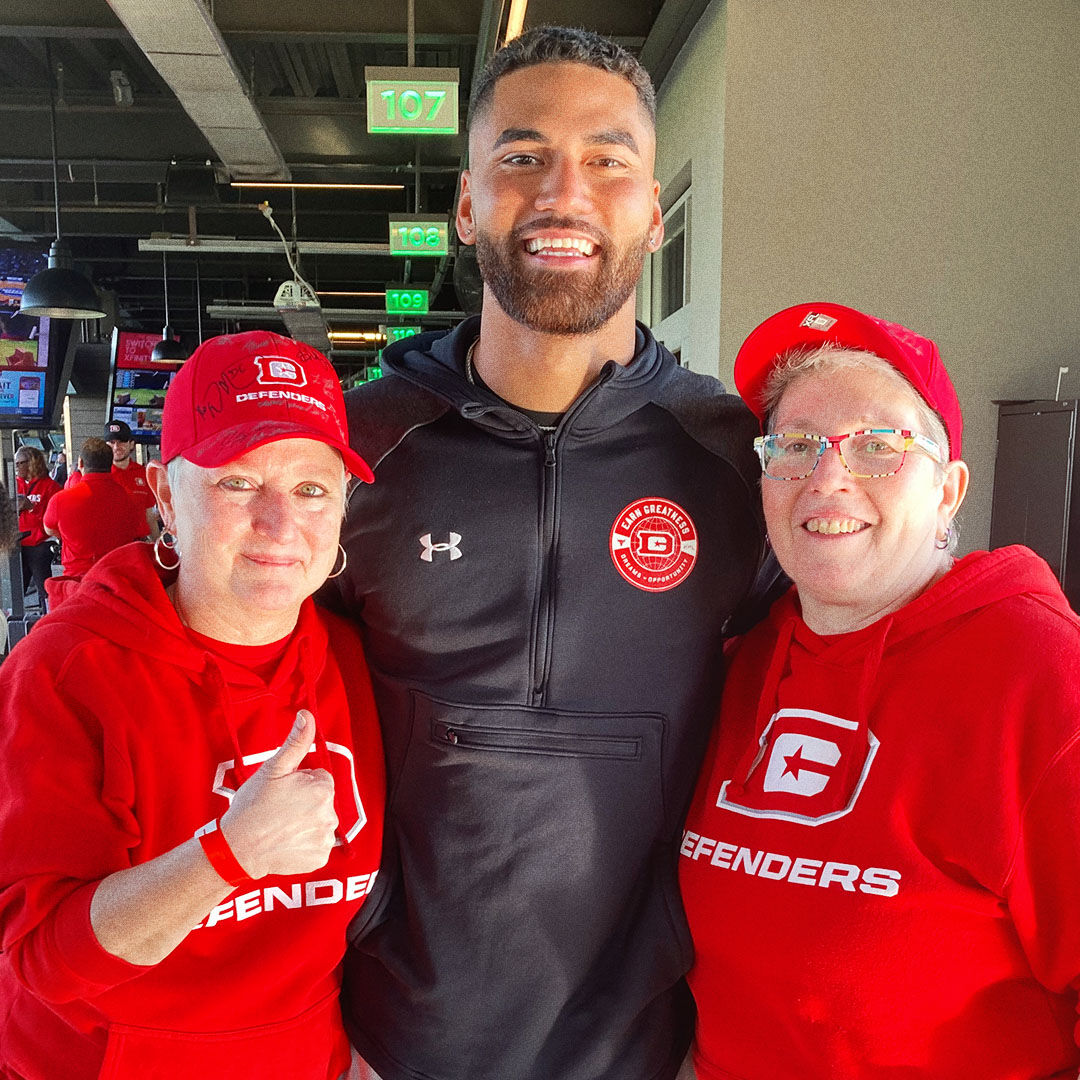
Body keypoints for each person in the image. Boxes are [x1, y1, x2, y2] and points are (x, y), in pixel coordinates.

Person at [330, 26, 773, 1080]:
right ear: (467, 205)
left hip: (653, 1047)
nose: (563, 193)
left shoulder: (737, 467)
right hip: (391, 1041)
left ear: (653, 214)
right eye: (522, 157)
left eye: (608, 160)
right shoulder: (353, 453)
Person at [680, 301, 1080, 1078]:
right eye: (794, 446)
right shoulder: (746, 665)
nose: (828, 478)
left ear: (950, 490)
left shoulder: (1041, 678)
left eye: (877, 446)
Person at [0, 330, 385, 1080]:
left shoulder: (359, 656)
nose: (280, 525)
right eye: (236, 483)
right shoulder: (62, 670)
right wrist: (229, 854)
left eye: (311, 488)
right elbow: (46, 961)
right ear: (165, 497)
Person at [42, 436, 149, 607]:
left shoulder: (60, 500)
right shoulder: (130, 498)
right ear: (109, 464)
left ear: (81, 464)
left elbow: (49, 530)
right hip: (117, 585)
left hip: (76, 585)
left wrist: (70, 535)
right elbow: (136, 530)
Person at [13, 444, 60, 611]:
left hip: (40, 543)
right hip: (17, 543)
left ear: (32, 463)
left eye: (20, 463)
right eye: (15, 463)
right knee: (14, 591)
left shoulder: (50, 487)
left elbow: (54, 518)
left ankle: (48, 617)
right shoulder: (14, 485)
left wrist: (31, 508)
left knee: (43, 588)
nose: (17, 467)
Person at [104, 418, 160, 536]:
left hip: (141, 544)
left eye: (121, 442)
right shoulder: (100, 475)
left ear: (131, 444)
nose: (116, 447)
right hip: (112, 546)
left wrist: (158, 547)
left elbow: (150, 515)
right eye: (112, 442)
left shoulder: (143, 473)